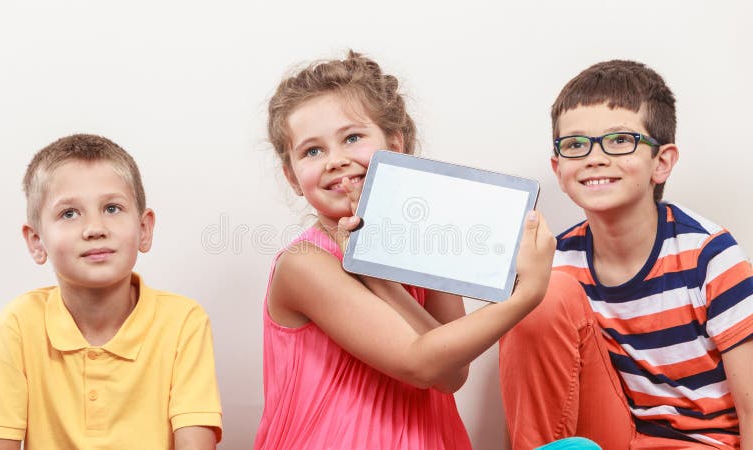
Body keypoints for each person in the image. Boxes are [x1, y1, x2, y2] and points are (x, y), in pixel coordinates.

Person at [254, 50, 596, 450]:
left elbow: (451, 375)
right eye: (312, 151)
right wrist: (526, 296)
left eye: (352, 138)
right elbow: (419, 363)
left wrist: (380, 280)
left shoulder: (425, 244)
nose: (336, 160)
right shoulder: (304, 265)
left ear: (394, 145)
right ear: (292, 177)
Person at [500, 60, 753, 450]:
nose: (595, 157)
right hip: (615, 436)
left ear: (661, 162)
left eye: (620, 140)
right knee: (540, 292)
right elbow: (531, 400)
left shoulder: (710, 257)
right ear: (558, 168)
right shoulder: (558, 260)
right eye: (575, 145)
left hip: (702, 443)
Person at [0, 134, 223, 450]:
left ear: (144, 229)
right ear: (36, 241)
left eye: (112, 208)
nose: (95, 228)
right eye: (69, 213)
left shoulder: (183, 321)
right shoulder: (18, 325)